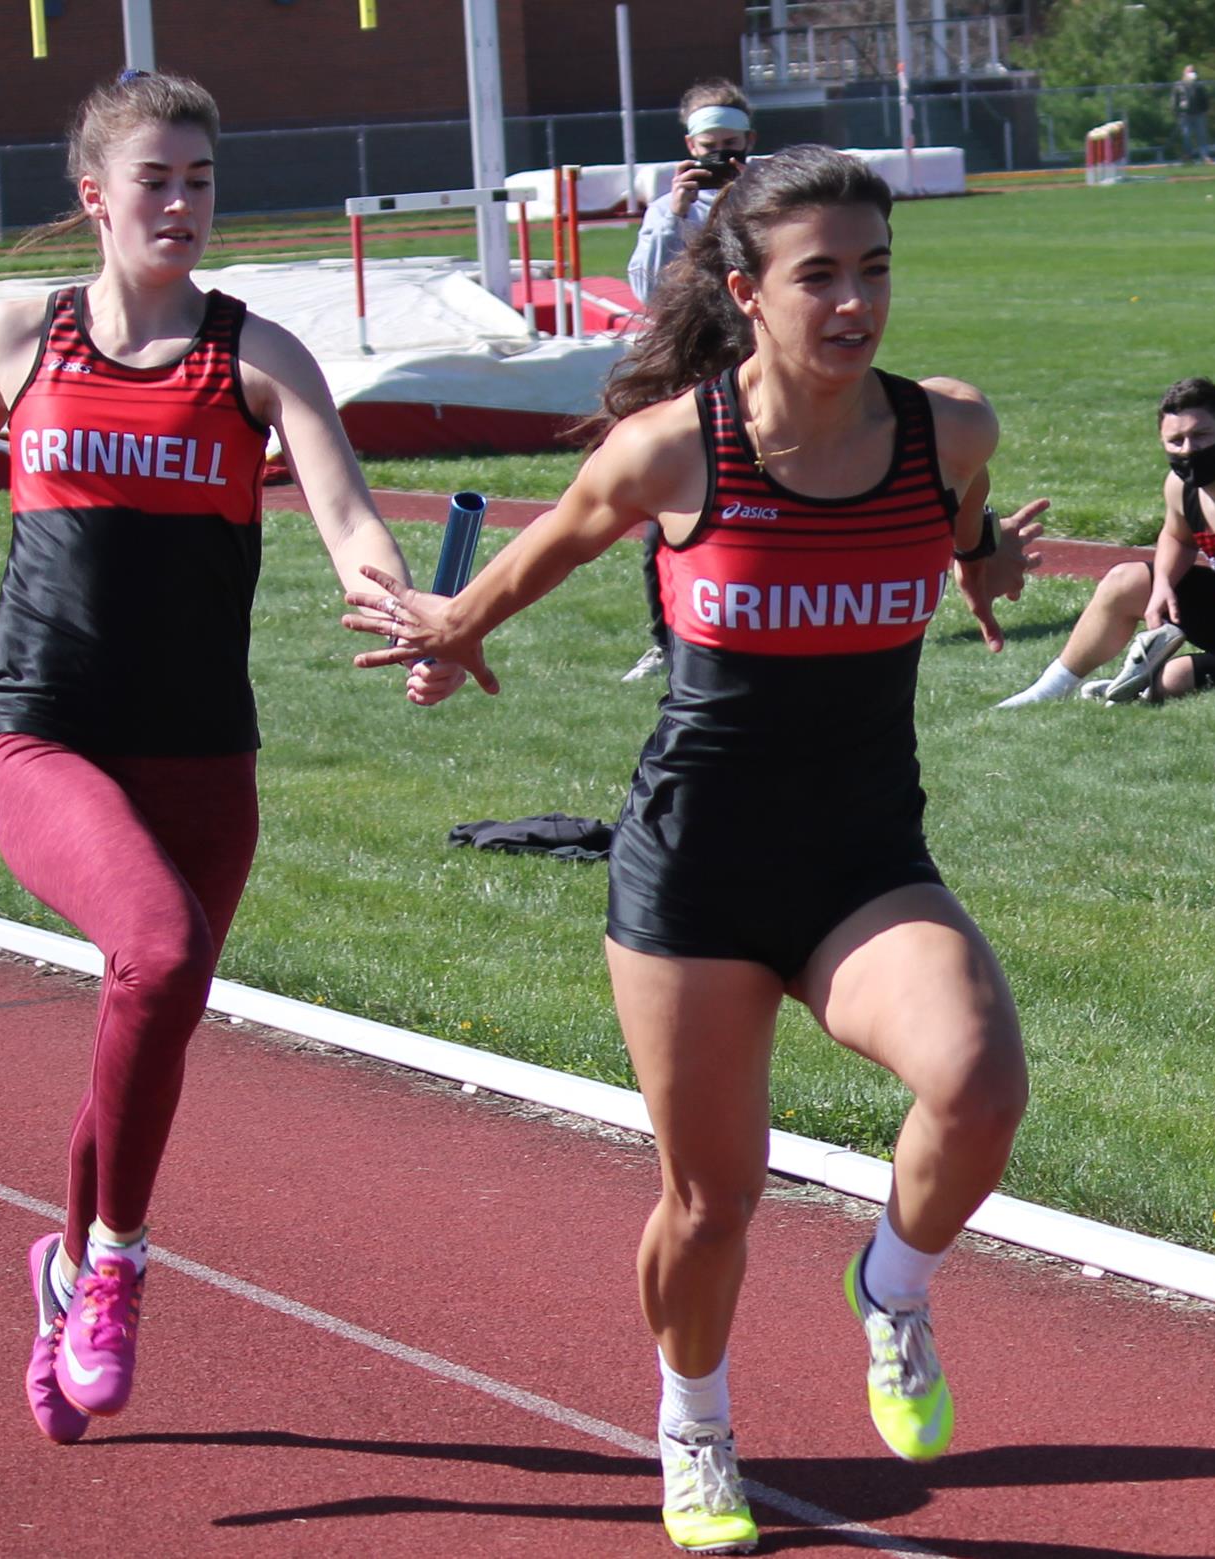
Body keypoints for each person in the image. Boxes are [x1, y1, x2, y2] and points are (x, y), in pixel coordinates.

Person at [0, 71, 460, 1446]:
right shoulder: (27, 335)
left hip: (202, 754)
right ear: (96, 198)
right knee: (163, 953)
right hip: (49, 733)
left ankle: (64, 1263)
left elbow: (350, 520)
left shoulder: (257, 354)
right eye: (156, 181)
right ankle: (117, 1260)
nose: (181, 203)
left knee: (150, 1005)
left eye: (200, 180)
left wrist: (414, 611)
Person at [344, 146, 1042, 1553]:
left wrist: (985, 569)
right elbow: (553, 541)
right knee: (714, 1195)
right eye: (821, 276)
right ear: (747, 291)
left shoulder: (947, 427)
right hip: (697, 869)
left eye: (877, 269)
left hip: (862, 856)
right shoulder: (680, 447)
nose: (855, 302)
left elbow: (959, 531)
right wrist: (454, 628)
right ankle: (695, 1421)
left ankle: (892, 1290)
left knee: (979, 1081)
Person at [998, 376, 1215, 708]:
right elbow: (1177, 538)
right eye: (1176, 441)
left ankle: (1133, 685)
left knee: (1174, 678)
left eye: (1201, 436)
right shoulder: (1180, 485)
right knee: (1125, 580)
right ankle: (1045, 692)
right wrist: (1163, 587)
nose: (1188, 450)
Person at [622, 78, 759, 684]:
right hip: (692, 371)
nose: (718, 159)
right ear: (688, 146)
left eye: (730, 146)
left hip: (757, 363)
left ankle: (764, 623)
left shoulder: (769, 198)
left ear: (749, 142)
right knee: (672, 507)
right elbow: (646, 291)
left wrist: (740, 198)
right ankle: (666, 638)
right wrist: (676, 213)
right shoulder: (667, 209)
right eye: (709, 147)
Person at [1172, 65, 1212, 163]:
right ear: (1184, 73)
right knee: (1186, 135)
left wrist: (1206, 110)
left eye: (1192, 72)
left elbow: (1205, 98)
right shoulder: (1179, 85)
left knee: (1202, 135)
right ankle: (1188, 156)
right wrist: (1176, 111)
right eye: (1189, 72)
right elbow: (1175, 100)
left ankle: (1205, 156)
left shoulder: (1199, 84)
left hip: (1199, 114)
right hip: (1185, 115)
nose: (1191, 74)